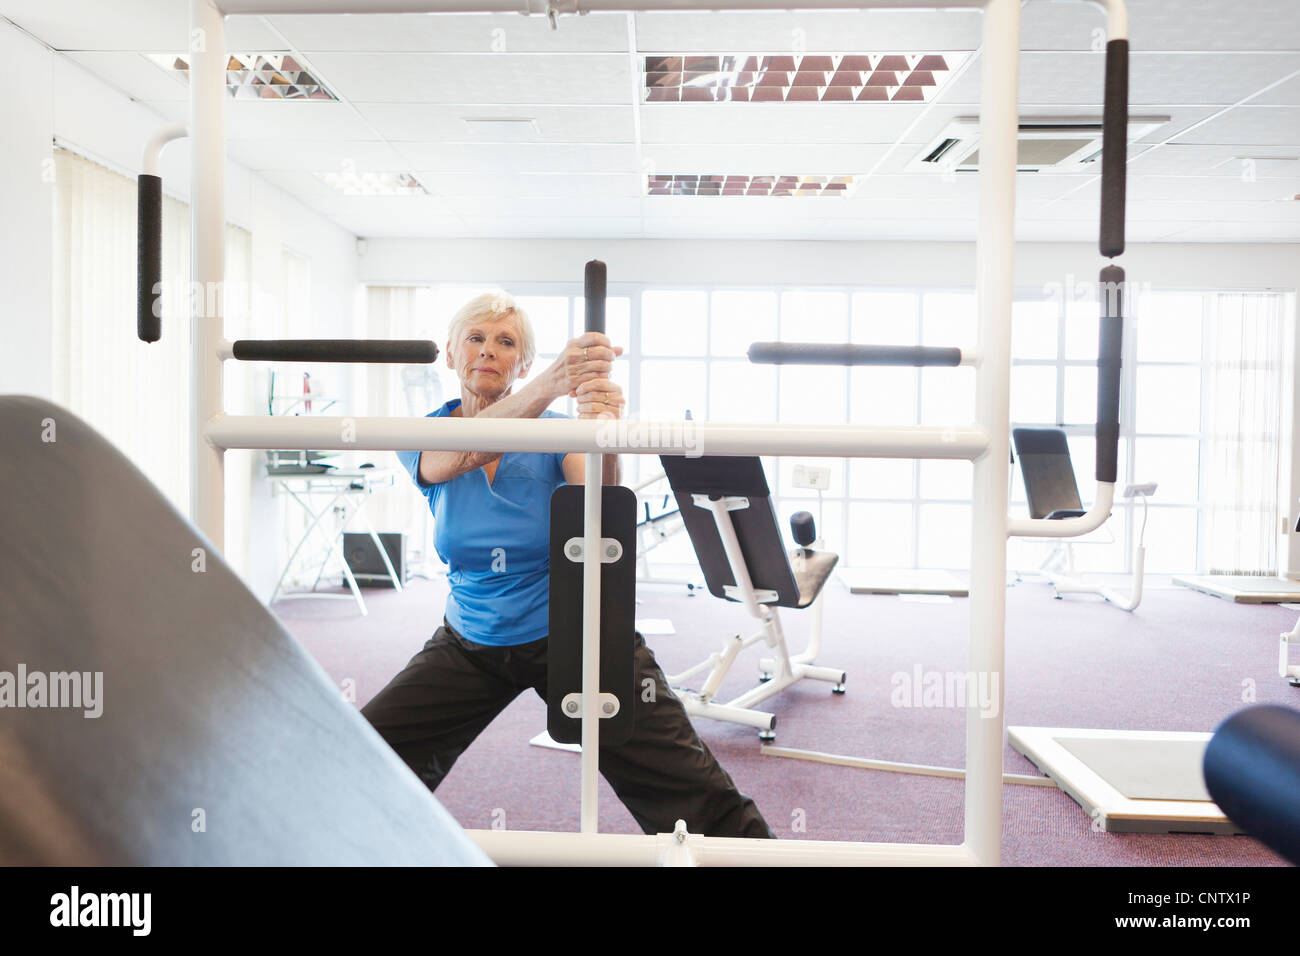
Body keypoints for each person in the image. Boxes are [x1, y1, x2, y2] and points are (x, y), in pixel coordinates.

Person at [363, 290, 774, 839]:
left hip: (574, 634)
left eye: (505, 342)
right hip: (471, 640)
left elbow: (601, 497)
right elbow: (457, 456)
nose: (488, 351)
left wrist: (602, 432)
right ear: (450, 354)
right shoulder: (423, 436)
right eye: (476, 338)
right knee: (368, 757)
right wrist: (553, 382)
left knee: (688, 789)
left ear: (522, 363)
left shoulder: (554, 432)